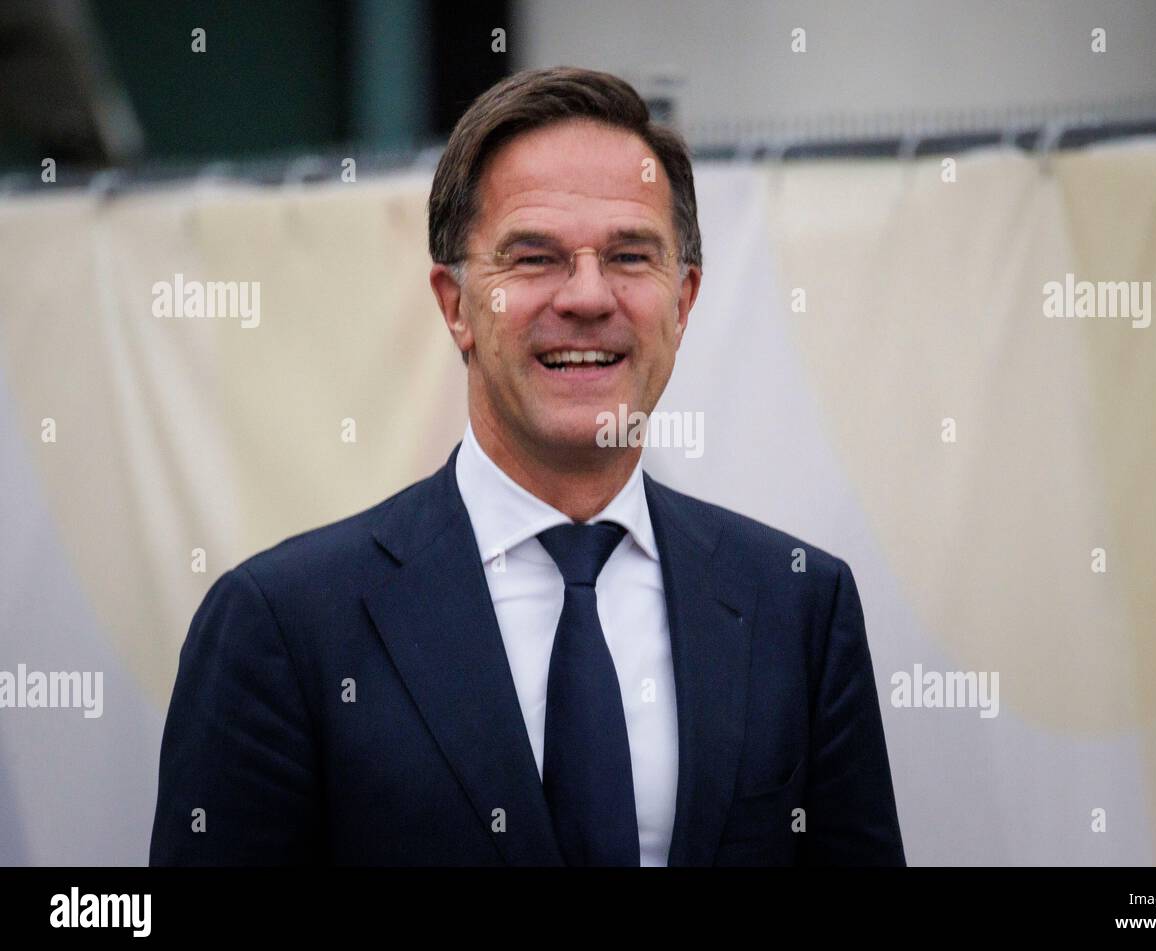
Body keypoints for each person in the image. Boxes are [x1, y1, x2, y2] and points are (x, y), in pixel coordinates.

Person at [149, 66, 905, 866]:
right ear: (456, 305)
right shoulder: (282, 626)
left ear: (682, 303)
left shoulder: (798, 609)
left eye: (629, 255)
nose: (586, 296)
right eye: (535, 257)